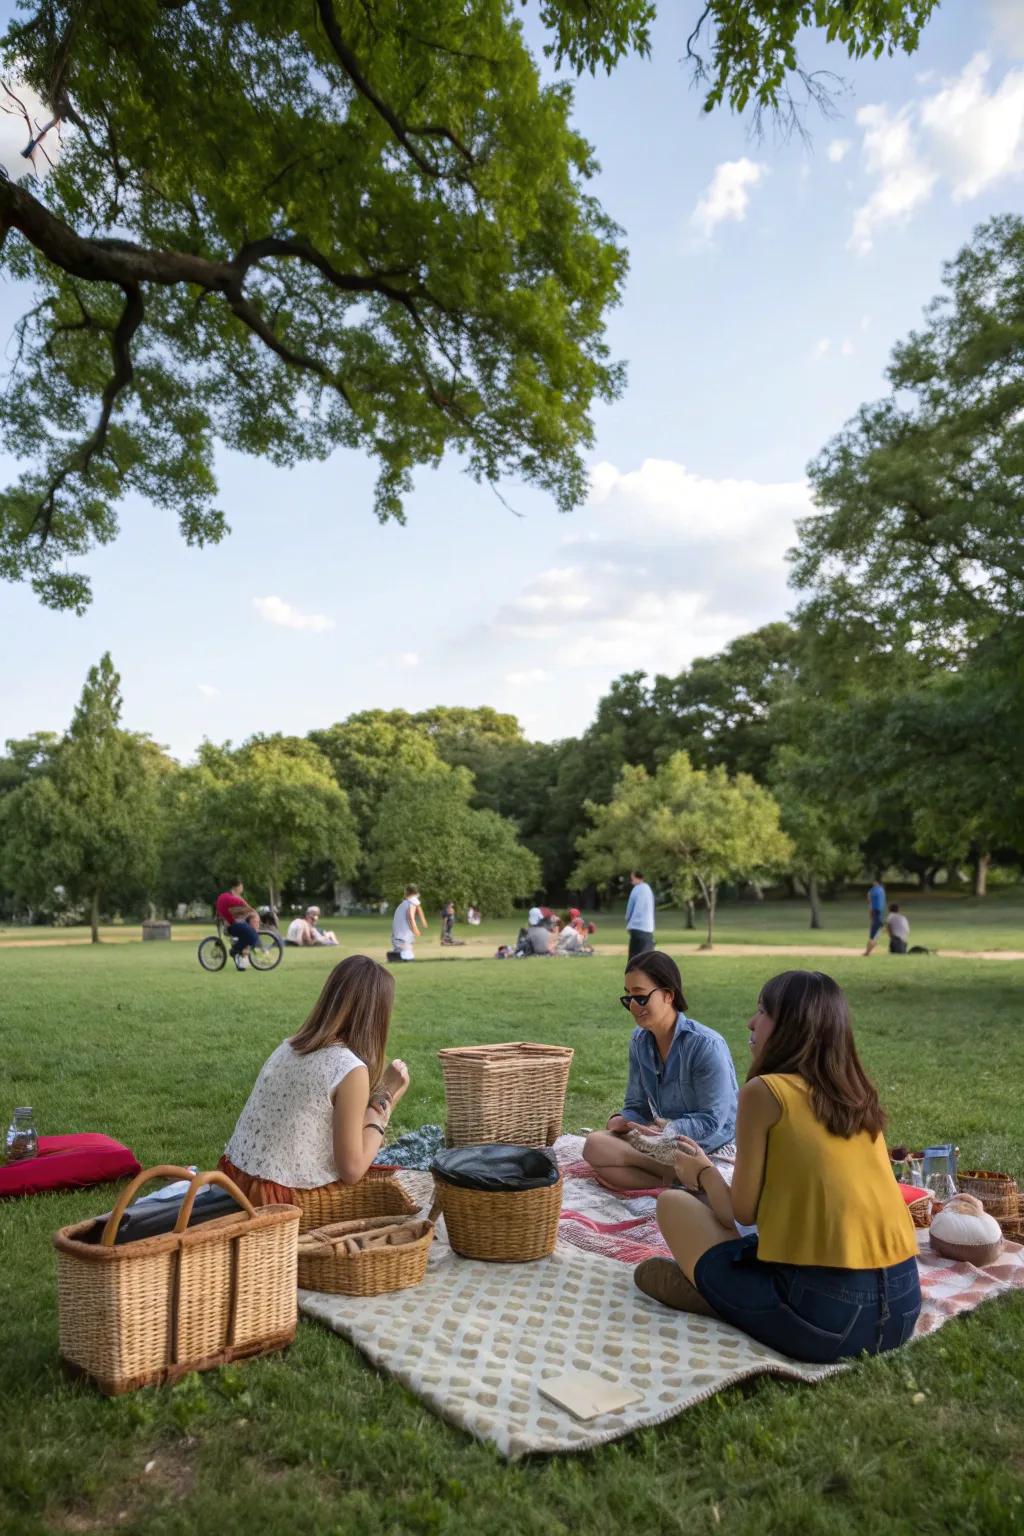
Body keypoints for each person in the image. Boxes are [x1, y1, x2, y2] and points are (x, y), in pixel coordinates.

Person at [637, 970, 921, 1366]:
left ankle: (717, 1301)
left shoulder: (765, 1092)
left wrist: (701, 1171)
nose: (751, 1023)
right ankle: (730, 1297)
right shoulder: (857, 1095)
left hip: (827, 1321)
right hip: (905, 1308)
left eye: (761, 1012)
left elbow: (741, 1213)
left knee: (672, 1205)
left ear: (792, 1026)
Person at [219, 954, 410, 1203]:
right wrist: (385, 1099)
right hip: (280, 1202)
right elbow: (352, 1170)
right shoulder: (349, 1069)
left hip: (234, 1180)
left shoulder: (289, 1046)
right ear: (377, 1016)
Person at [582, 950, 738, 1190]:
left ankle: (690, 1177)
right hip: (663, 1143)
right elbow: (636, 1106)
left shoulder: (706, 1046)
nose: (634, 1005)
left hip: (708, 1147)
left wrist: (665, 1129)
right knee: (595, 1144)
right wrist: (623, 1121)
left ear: (668, 995)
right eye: (628, 998)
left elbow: (712, 1121)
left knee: (603, 1159)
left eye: (641, 996)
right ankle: (679, 1184)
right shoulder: (640, 1041)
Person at [215, 880, 262, 972]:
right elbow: (244, 907)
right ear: (237, 887)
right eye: (241, 886)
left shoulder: (231, 897)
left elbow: (244, 908)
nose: (242, 888)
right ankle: (235, 951)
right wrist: (252, 913)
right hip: (231, 925)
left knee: (249, 936)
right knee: (252, 936)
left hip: (234, 923)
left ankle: (240, 960)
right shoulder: (230, 898)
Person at [389, 884, 426, 961]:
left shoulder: (404, 903)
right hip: (403, 934)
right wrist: (416, 930)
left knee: (401, 946)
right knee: (406, 949)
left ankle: (396, 956)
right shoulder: (413, 900)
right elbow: (411, 917)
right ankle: (403, 957)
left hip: (397, 934)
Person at [624, 870, 655, 961]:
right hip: (647, 927)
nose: (631, 880)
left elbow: (630, 908)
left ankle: (632, 973)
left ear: (637, 878)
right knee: (646, 957)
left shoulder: (636, 890)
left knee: (634, 956)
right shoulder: (648, 889)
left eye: (632, 878)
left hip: (635, 927)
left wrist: (628, 921)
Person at [864, 877, 887, 956]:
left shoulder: (873, 890)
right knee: (876, 933)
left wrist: (870, 913)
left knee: (873, 934)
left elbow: (869, 902)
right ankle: (868, 951)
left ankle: (867, 952)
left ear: (876, 882)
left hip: (876, 913)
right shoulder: (882, 890)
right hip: (880, 913)